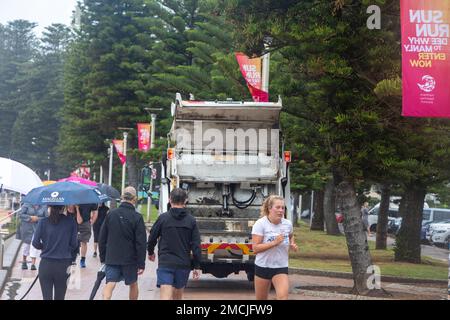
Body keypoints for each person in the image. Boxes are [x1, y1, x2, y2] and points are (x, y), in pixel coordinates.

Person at [147, 188, 201, 300]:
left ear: (170, 200)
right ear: (185, 201)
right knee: (178, 296)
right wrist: (196, 266)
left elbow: (152, 237)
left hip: (166, 263)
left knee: (165, 295)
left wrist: (150, 252)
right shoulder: (191, 221)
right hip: (183, 264)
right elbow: (196, 245)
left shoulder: (163, 218)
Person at [99, 186, 146, 300]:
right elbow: (141, 242)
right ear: (134, 199)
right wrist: (141, 263)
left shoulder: (111, 214)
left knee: (110, 284)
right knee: (133, 284)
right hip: (130, 259)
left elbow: (102, 237)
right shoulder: (137, 217)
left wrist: (103, 257)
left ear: (122, 197)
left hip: (112, 257)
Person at [251, 195, 298, 300]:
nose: (281, 210)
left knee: (283, 297)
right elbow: (255, 248)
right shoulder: (260, 224)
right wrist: (274, 242)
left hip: (280, 267)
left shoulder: (287, 224)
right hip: (263, 266)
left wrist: (292, 244)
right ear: (269, 208)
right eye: (278, 207)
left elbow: (290, 235)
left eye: (283, 208)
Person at [32, 205, 78, 300]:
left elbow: (35, 242)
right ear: (63, 207)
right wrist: (64, 247)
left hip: (46, 264)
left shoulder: (43, 222)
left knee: (46, 297)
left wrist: (44, 248)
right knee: (60, 297)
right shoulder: (71, 222)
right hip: (63, 265)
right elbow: (74, 244)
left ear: (49, 207)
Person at [18, 204, 47, 270]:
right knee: (26, 246)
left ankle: (33, 264)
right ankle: (24, 261)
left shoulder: (43, 206)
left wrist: (37, 219)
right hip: (27, 229)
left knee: (35, 245)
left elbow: (46, 217)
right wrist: (30, 218)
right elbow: (20, 215)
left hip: (38, 229)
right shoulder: (26, 205)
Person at [75, 203, 98, 268]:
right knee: (72, 241)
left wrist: (92, 222)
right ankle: (73, 257)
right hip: (74, 221)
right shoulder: (74, 197)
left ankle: (82, 260)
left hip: (86, 222)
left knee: (84, 242)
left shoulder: (90, 199)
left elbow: (95, 211)